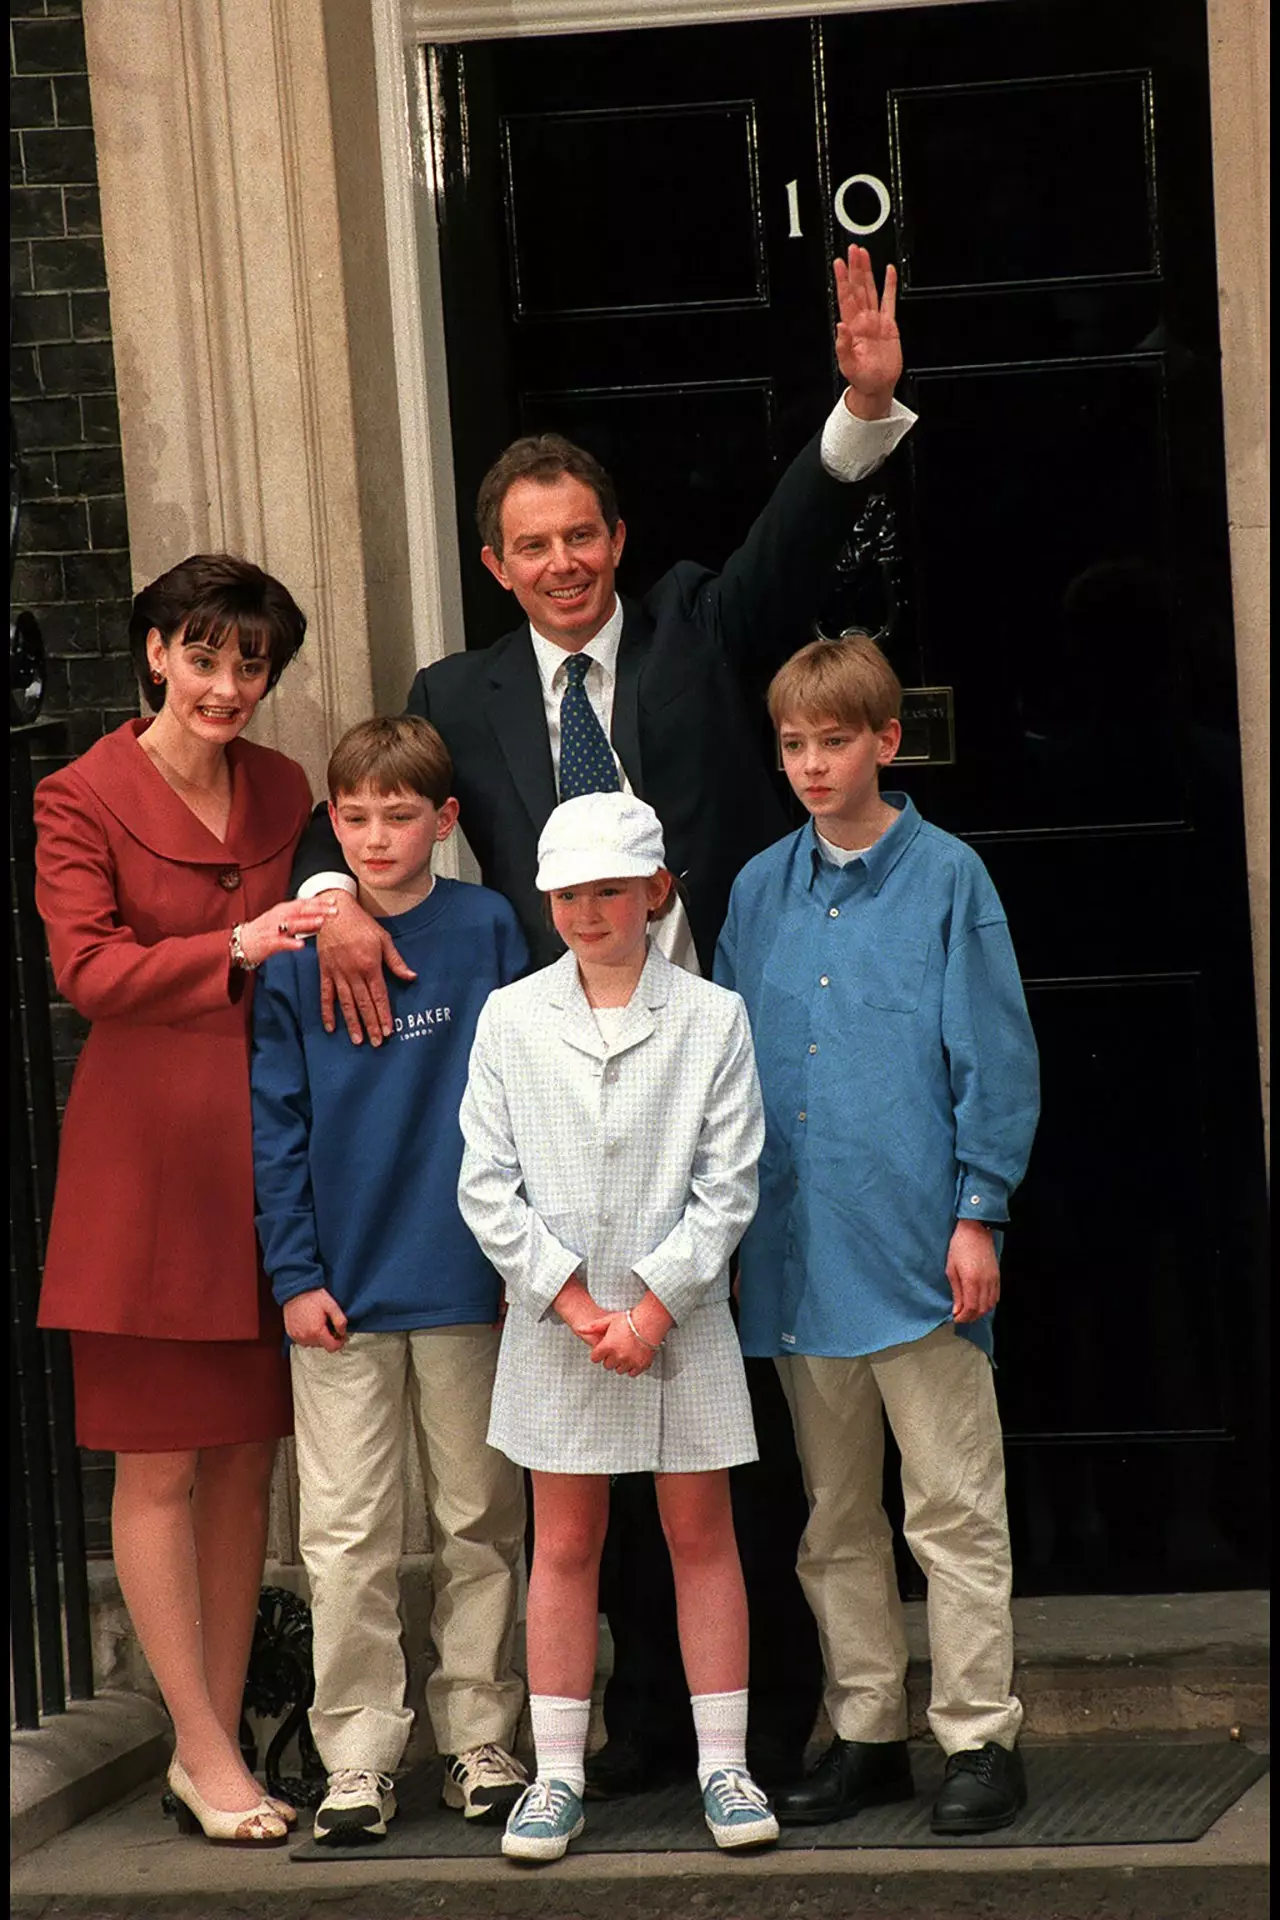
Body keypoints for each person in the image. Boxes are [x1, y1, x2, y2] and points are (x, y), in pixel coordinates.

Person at [291, 247, 915, 1794]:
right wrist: (338, 900)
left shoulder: (703, 625)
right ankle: (626, 1733)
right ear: (497, 564)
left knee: (723, 1412)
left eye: (584, 537)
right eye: (533, 545)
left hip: (714, 1062)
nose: (564, 562)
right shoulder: (460, 685)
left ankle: (760, 1732)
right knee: (583, 1435)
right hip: (557, 1090)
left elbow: (797, 533)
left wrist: (863, 403)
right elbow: (379, 812)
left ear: (617, 543)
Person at [715, 633, 1041, 1836]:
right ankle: (866, 1732)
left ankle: (975, 1735)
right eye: (793, 743)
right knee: (832, 1515)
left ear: (884, 742)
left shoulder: (947, 877)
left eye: (834, 741)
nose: (810, 764)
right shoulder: (755, 888)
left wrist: (977, 1212)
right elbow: (730, 1070)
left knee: (951, 1507)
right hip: (798, 1253)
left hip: (917, 1246)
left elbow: (991, 1057)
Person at [33, 555, 333, 1846]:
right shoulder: (77, 792)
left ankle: (210, 1744)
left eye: (249, 664)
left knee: (244, 1463)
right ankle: (202, 1749)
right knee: (157, 1467)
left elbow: (336, 903)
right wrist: (235, 946)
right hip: (146, 1165)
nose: (226, 685)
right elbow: (87, 971)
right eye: (202, 656)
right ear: (153, 650)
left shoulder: (283, 786)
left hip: (268, 1163)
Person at [457, 792, 780, 1862]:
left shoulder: (710, 1018)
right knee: (564, 1542)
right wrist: (579, 1304)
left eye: (608, 891)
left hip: (673, 1327)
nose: (586, 913)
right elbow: (486, 1187)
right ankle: (554, 1776)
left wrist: (651, 1307)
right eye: (566, 894)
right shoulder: (510, 1018)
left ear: (654, 892)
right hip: (562, 1328)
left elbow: (728, 1184)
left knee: (700, 1537)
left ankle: (724, 1766)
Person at [249, 716, 530, 1845]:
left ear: (445, 821)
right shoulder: (296, 949)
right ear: (331, 818)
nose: (374, 835)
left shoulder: (489, 928)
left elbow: (527, 1095)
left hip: (469, 1279)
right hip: (340, 1293)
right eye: (352, 816)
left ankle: (479, 1738)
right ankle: (356, 1754)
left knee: (478, 1520)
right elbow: (276, 1123)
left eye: (399, 814)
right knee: (346, 1534)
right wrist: (292, 1274)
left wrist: (524, 1262)